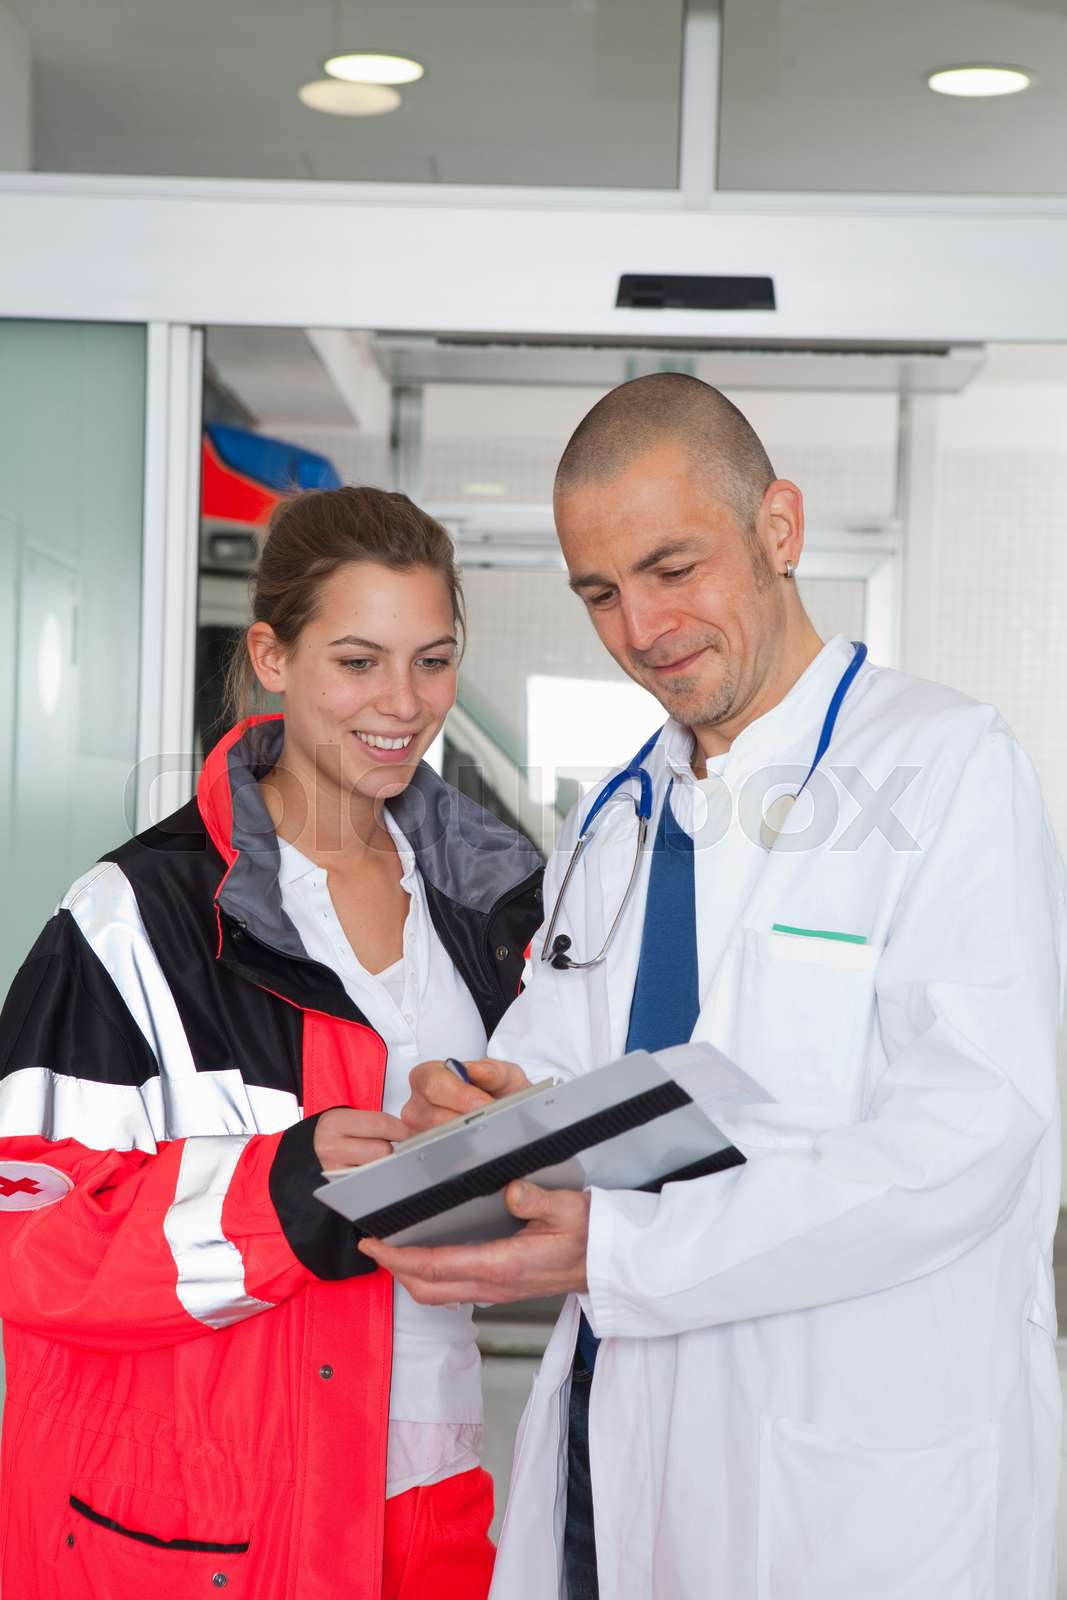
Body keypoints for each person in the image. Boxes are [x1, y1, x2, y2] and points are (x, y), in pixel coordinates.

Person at [362, 374, 1067, 1600]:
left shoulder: (945, 768)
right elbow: (562, 1062)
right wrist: (478, 1110)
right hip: (615, 1447)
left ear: (776, 529)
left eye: (670, 567)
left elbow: (967, 1139)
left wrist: (630, 1248)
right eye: (598, 592)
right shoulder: (617, 813)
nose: (640, 626)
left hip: (846, 1490)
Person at [0, 485, 543, 1600]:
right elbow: (26, 1237)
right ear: (272, 658)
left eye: (432, 661)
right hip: (207, 1527)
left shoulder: (498, 907)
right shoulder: (136, 917)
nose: (403, 703)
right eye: (357, 661)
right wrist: (282, 1191)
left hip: (436, 1490)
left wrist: (506, 1145)